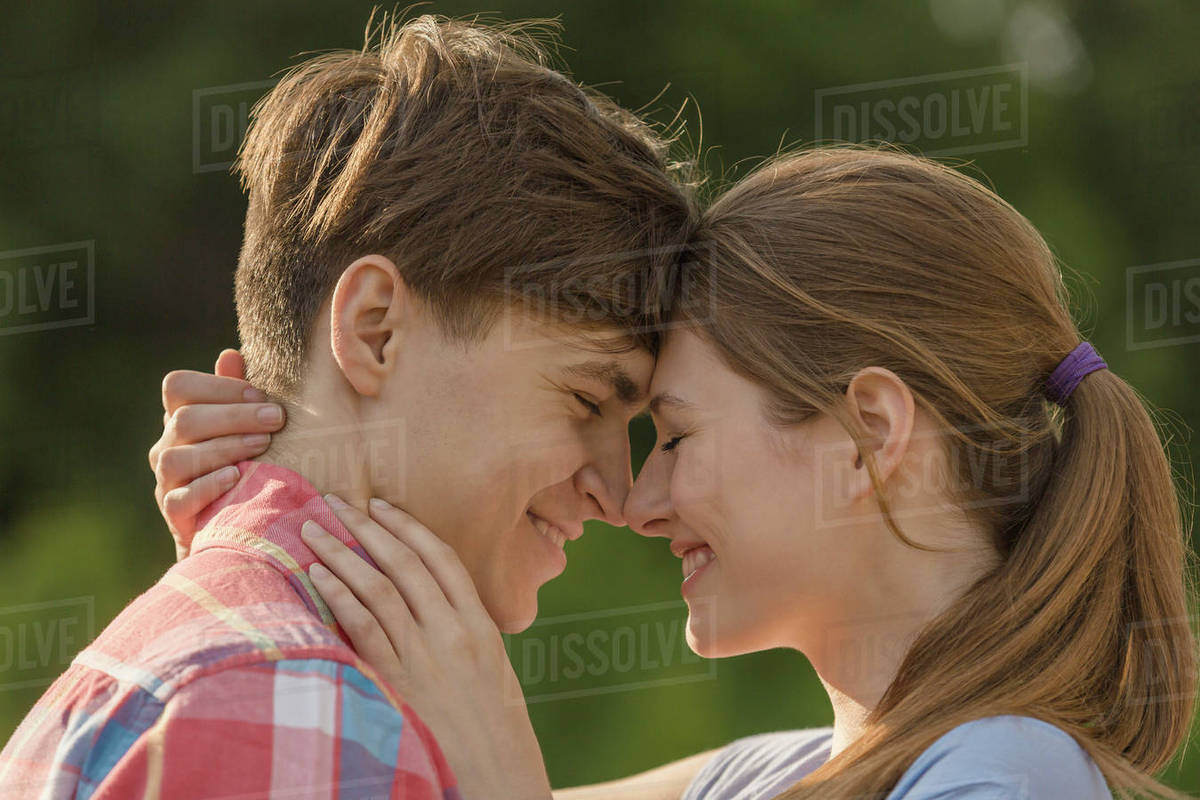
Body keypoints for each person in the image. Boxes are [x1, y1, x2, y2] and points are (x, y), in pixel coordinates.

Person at [154, 147, 1197, 799]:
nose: (637, 502)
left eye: (678, 437)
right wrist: (267, 526)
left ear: (871, 431)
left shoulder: (1006, 778)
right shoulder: (769, 777)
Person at [0, 12, 698, 800]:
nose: (620, 495)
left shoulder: (200, 661)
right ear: (375, 331)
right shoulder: (302, 709)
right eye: (584, 399)